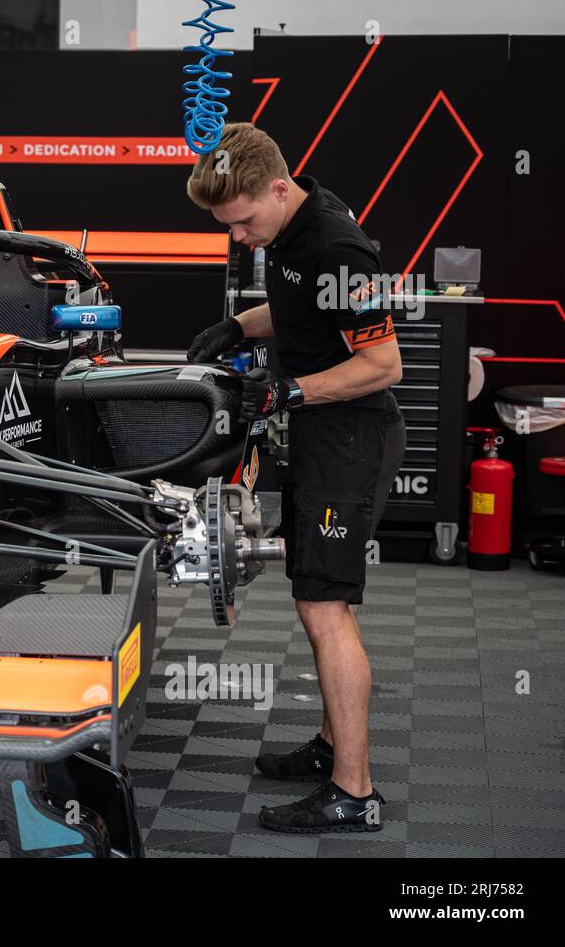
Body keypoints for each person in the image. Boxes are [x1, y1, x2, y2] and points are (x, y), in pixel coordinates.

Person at [185, 123, 407, 833]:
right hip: (321, 436)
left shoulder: (339, 248)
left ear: (278, 189)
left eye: (245, 222)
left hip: (351, 440)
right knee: (313, 594)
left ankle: (355, 792)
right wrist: (239, 327)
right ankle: (334, 745)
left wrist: (291, 393)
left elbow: (382, 366)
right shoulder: (288, 225)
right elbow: (299, 311)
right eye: (229, 228)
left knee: (324, 606)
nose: (242, 238)